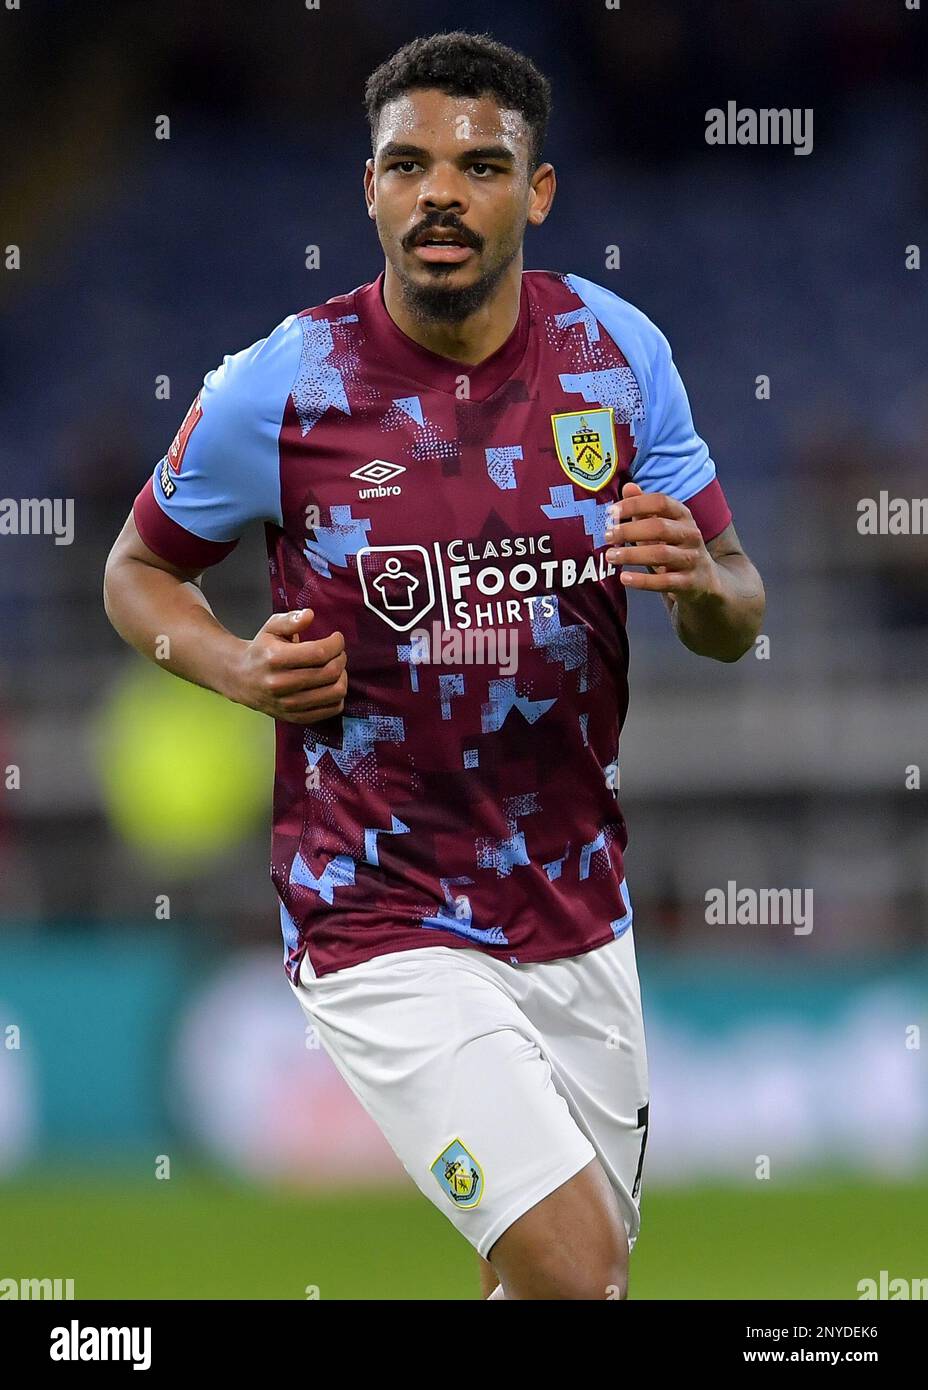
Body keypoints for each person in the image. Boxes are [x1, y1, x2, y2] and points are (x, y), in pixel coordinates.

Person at [103, 30, 765, 1300]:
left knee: (569, 1285)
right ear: (370, 191)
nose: (439, 193)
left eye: (478, 163)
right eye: (406, 166)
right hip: (380, 906)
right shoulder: (282, 386)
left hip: (577, 902)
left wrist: (701, 578)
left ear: (539, 189)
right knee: (573, 1268)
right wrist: (237, 667)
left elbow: (735, 605)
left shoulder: (616, 357)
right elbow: (135, 571)